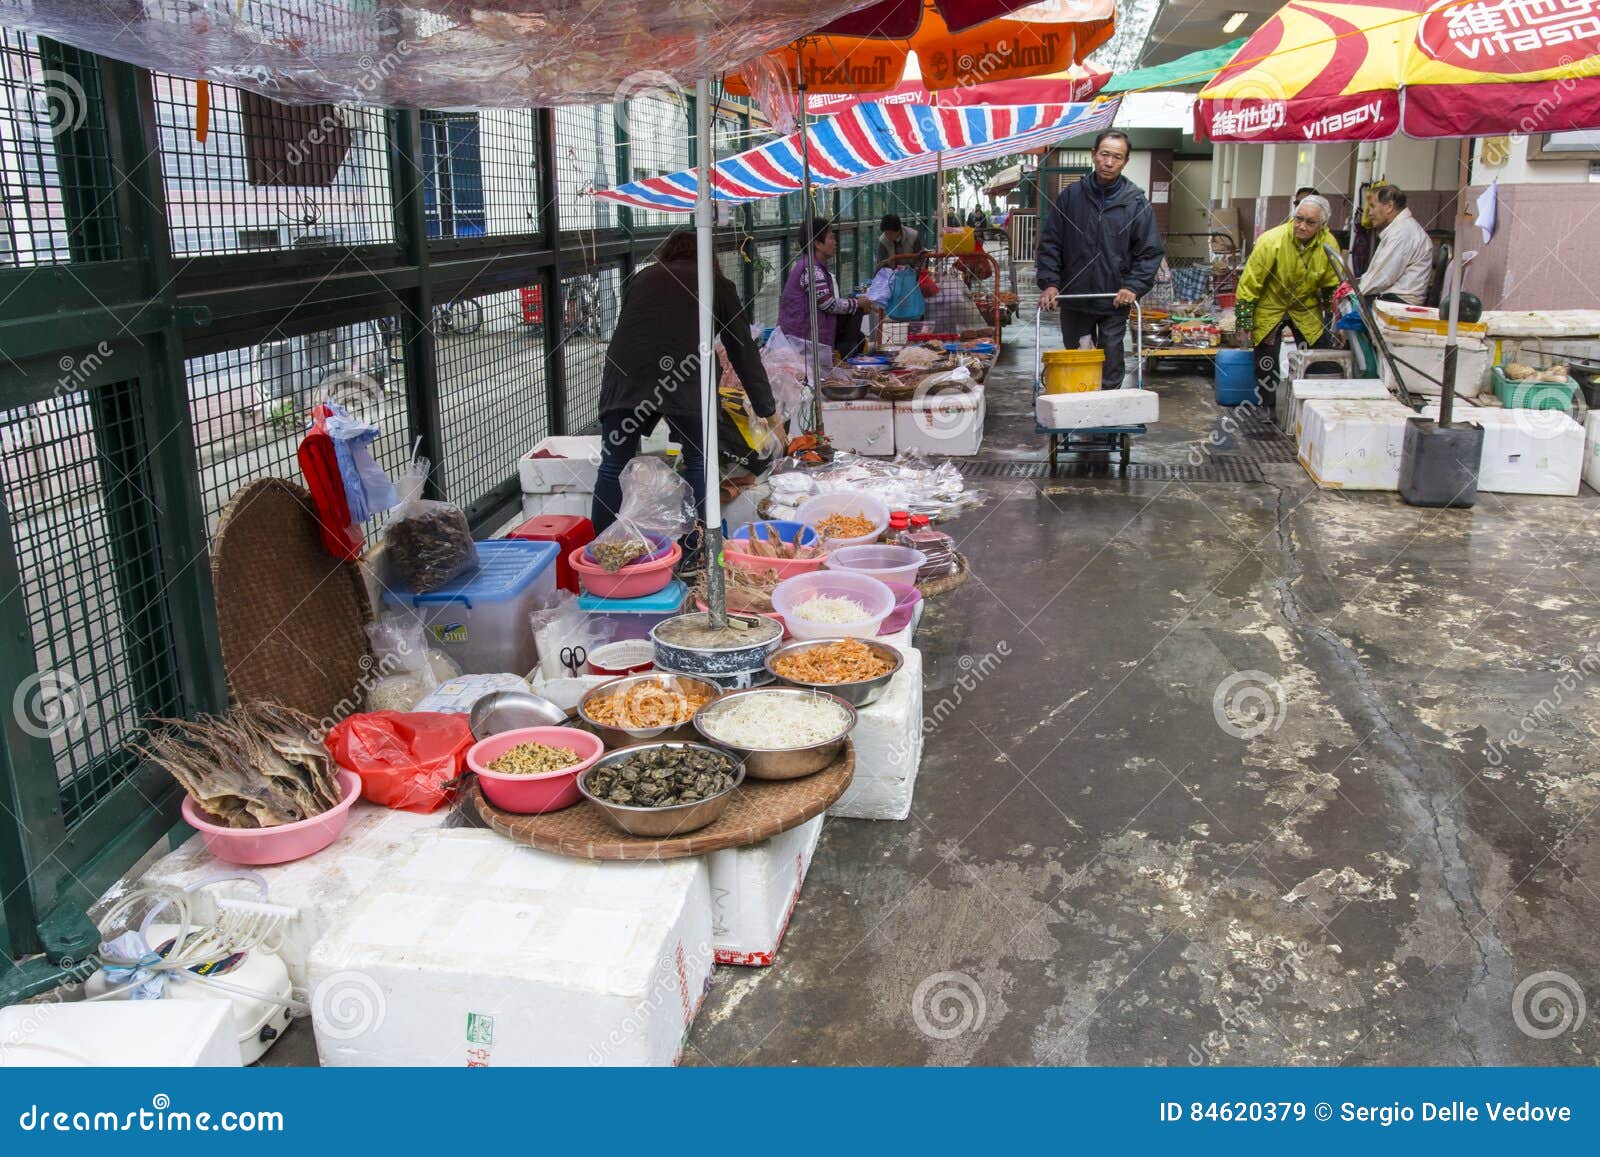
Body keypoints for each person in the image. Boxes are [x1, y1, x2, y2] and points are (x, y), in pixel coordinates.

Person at [594, 229, 783, 567]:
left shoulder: (642, 278)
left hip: (625, 380)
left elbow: (638, 332)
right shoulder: (715, 283)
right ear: (707, 256)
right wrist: (768, 412)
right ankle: (697, 554)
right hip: (683, 381)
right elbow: (743, 351)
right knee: (699, 461)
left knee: (612, 466)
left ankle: (600, 556)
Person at [1036, 129, 1164, 390]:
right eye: (1104, 154)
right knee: (1077, 359)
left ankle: (1106, 420)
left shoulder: (1136, 203)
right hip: (1075, 298)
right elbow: (1051, 243)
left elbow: (1149, 252)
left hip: (1114, 300)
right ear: (1093, 155)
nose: (1109, 162)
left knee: (1111, 360)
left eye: (1117, 157)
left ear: (1125, 162)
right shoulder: (1071, 197)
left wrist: (1133, 287)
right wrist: (1050, 283)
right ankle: (1079, 410)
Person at [1233, 194, 1342, 410]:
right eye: (1298, 219)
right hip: (1270, 305)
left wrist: (1336, 321)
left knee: (1319, 353)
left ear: (1322, 225)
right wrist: (1244, 321)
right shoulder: (1271, 240)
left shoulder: (1329, 244)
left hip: (1305, 306)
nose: (1302, 226)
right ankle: (1267, 406)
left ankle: (1314, 406)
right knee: (1267, 360)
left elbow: (1332, 285)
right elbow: (1249, 283)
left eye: (1310, 222)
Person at [778, 217, 880, 350]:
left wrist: (857, 302)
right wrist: (857, 303)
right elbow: (828, 304)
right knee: (855, 307)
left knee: (854, 311)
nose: (835, 242)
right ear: (817, 244)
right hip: (800, 341)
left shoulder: (813, 265)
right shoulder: (811, 268)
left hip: (807, 336)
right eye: (831, 238)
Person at [1358, 184, 1433, 305]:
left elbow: (1382, 278)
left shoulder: (1402, 232)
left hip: (1400, 301)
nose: (1369, 213)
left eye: (1372, 206)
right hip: (1392, 296)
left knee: (1349, 317)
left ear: (1389, 207)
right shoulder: (1399, 228)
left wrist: (1354, 294)